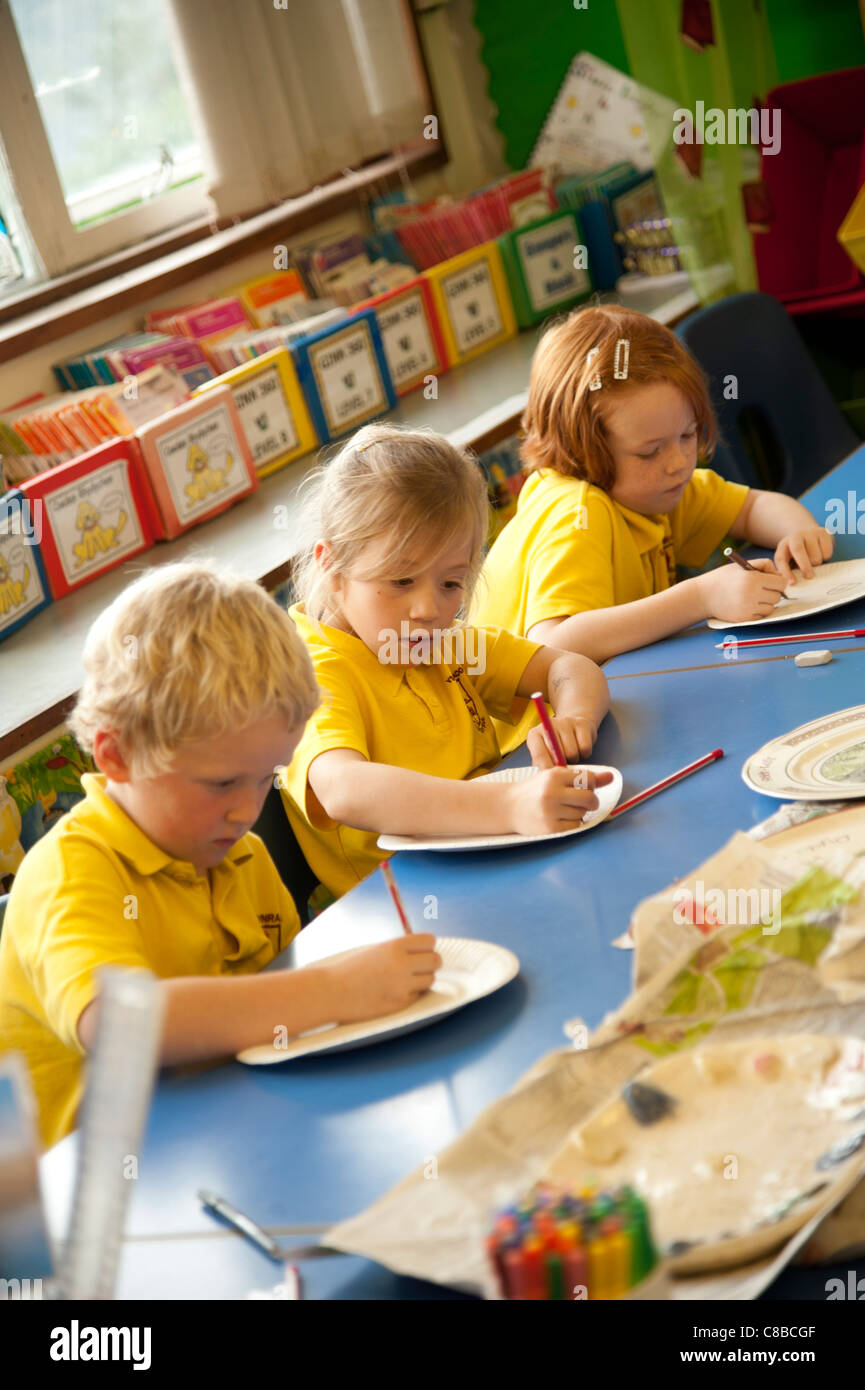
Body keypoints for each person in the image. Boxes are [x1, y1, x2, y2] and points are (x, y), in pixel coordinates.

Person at [0, 563, 440, 1147]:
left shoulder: (242, 856)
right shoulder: (69, 874)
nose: (246, 811)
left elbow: (273, 1010)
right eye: (220, 784)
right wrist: (335, 990)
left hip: (235, 1136)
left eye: (265, 779)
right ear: (116, 756)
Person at [472, 304, 833, 751]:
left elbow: (752, 507)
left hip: (600, 718)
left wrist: (797, 531)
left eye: (686, 436)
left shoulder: (649, 488)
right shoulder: (577, 512)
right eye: (650, 451)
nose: (679, 462)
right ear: (583, 450)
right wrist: (701, 596)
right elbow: (556, 644)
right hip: (531, 751)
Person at [280, 424, 611, 899]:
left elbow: (570, 668)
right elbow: (344, 789)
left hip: (497, 857)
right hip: (410, 904)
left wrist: (574, 718)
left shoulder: (442, 643)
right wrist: (508, 805)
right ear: (332, 569)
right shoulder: (310, 673)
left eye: (451, 584)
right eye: (400, 581)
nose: (429, 609)